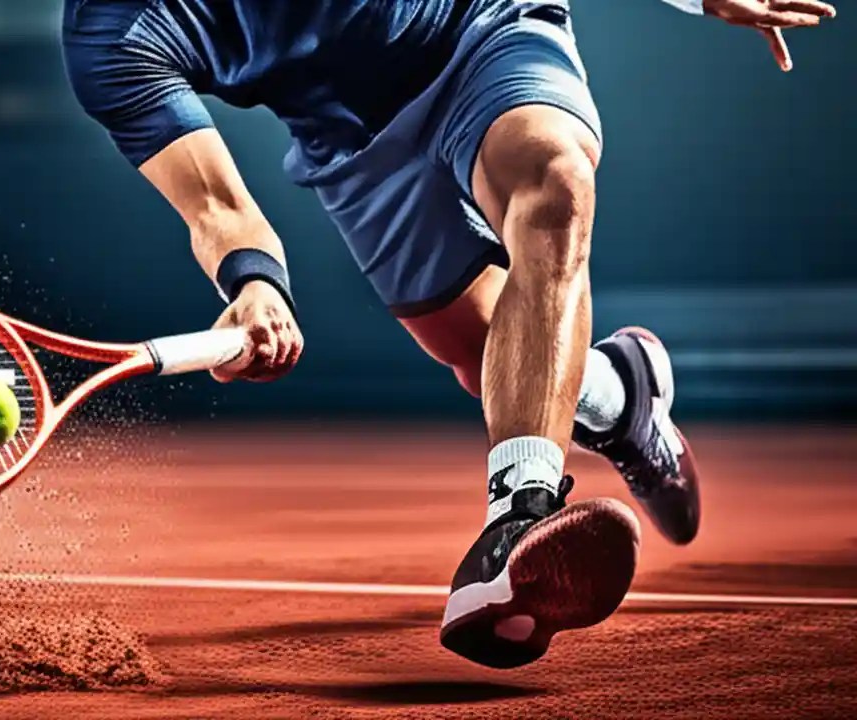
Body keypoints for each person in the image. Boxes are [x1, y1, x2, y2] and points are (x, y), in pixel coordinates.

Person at [61, 0, 837, 668]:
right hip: (353, 142)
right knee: (485, 355)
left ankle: (518, 517)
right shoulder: (111, 35)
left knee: (555, 181)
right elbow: (217, 207)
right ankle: (617, 395)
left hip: (483, 29)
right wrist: (255, 287)